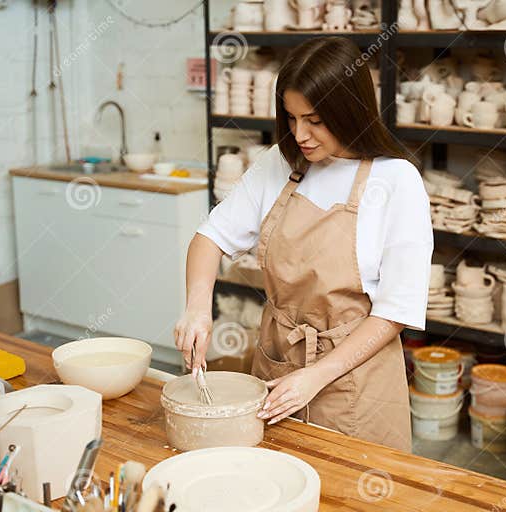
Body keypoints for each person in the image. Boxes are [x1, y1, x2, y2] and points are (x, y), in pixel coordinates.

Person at [174, 36, 432, 452]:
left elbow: (395, 312)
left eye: (314, 120)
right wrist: (197, 309)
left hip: (355, 380)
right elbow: (210, 237)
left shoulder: (396, 181)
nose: (300, 135)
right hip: (278, 363)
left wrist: (315, 376)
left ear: (350, 111)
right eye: (291, 118)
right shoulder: (282, 162)